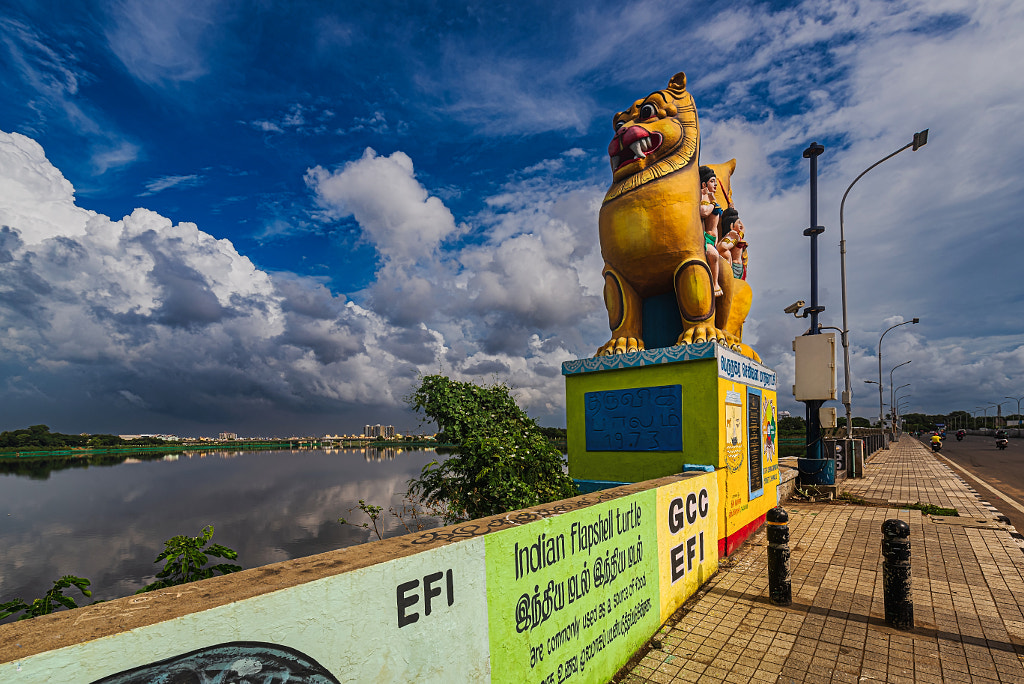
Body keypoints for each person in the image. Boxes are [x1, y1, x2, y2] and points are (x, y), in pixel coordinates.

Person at [699, 166, 724, 297]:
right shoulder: (703, 195)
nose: (715, 184)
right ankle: (715, 284)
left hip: (713, 240)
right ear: (704, 184)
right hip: (705, 237)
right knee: (713, 255)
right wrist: (712, 204)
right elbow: (703, 212)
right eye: (712, 181)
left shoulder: (711, 197)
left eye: (715, 181)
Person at [718, 207, 749, 280]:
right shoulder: (731, 236)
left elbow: (743, 228)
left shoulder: (738, 235)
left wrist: (736, 217)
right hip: (734, 266)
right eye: (738, 223)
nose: (741, 225)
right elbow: (723, 247)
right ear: (731, 226)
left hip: (741, 267)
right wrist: (734, 242)